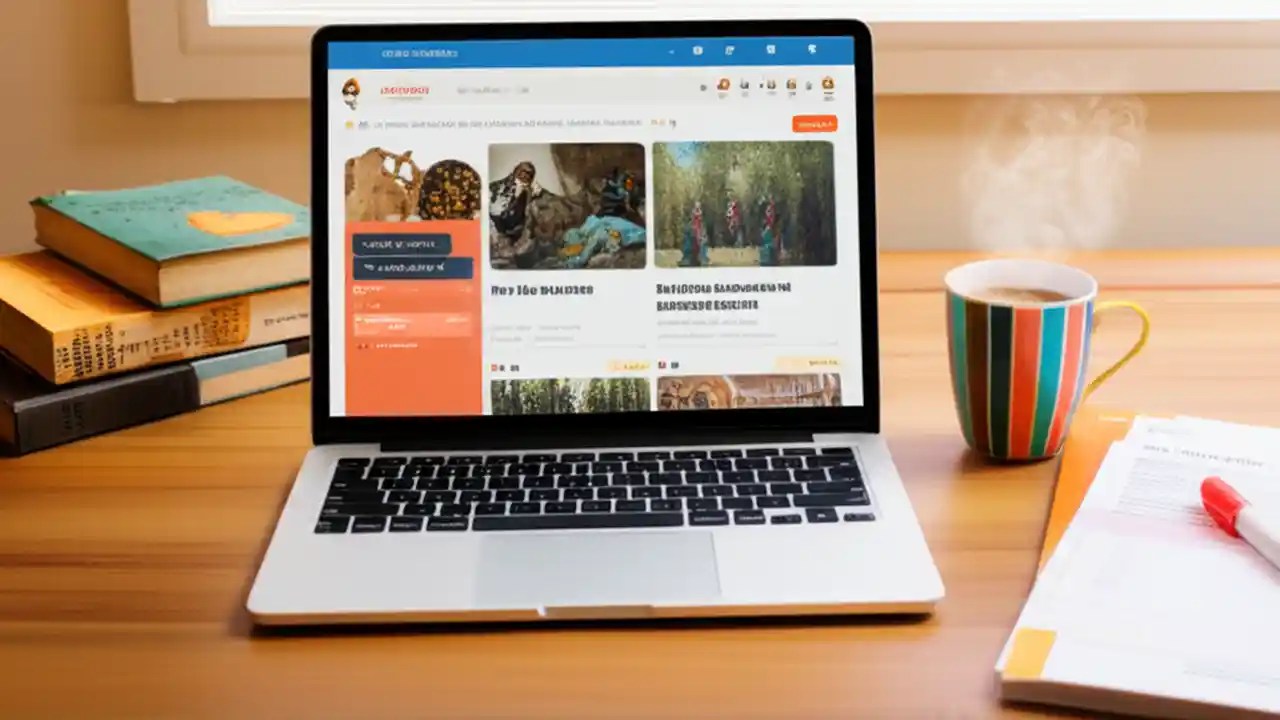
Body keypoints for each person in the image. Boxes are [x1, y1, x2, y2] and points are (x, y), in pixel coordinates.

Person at [680, 201, 710, 267]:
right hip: (692, 231)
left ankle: (702, 258)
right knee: (687, 235)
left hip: (699, 231)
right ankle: (687, 258)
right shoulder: (689, 226)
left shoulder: (702, 227)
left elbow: (703, 238)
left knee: (703, 239)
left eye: (699, 208)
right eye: (695, 207)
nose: (697, 210)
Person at [759, 196, 780, 266]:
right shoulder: (765, 223)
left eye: (770, 211)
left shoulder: (774, 225)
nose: (769, 213)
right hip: (766, 253)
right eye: (768, 211)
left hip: (771, 252)